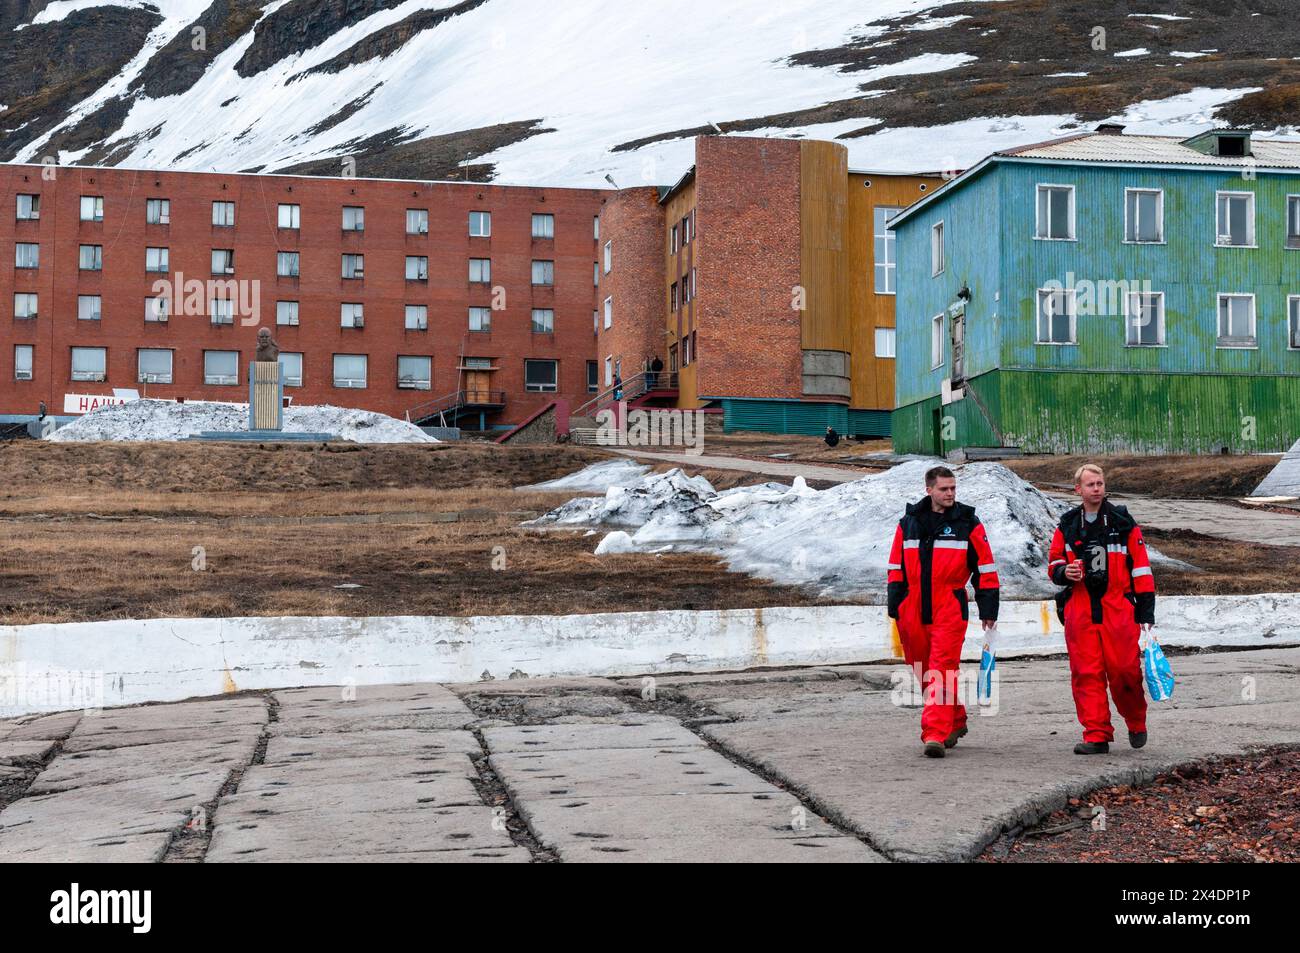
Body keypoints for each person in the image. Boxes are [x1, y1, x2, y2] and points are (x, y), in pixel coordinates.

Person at [887, 466, 1000, 758]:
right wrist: (896, 605)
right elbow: (895, 566)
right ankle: (956, 718)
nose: (950, 494)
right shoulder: (908, 522)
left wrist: (988, 607)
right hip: (912, 606)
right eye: (944, 489)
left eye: (953, 489)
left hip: (949, 605)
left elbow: (985, 568)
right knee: (922, 668)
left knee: (941, 668)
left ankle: (934, 733)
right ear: (929, 490)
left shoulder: (968, 523)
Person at [1048, 464, 1155, 755]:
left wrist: (1146, 614)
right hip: (1080, 610)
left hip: (1118, 608)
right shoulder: (1068, 524)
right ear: (1078, 490)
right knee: (1086, 673)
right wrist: (1063, 573)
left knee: (1124, 672)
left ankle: (1135, 721)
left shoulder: (1122, 522)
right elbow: (1054, 562)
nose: (1097, 488)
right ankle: (1096, 734)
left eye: (1100, 483)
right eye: (1091, 484)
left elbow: (1142, 569)